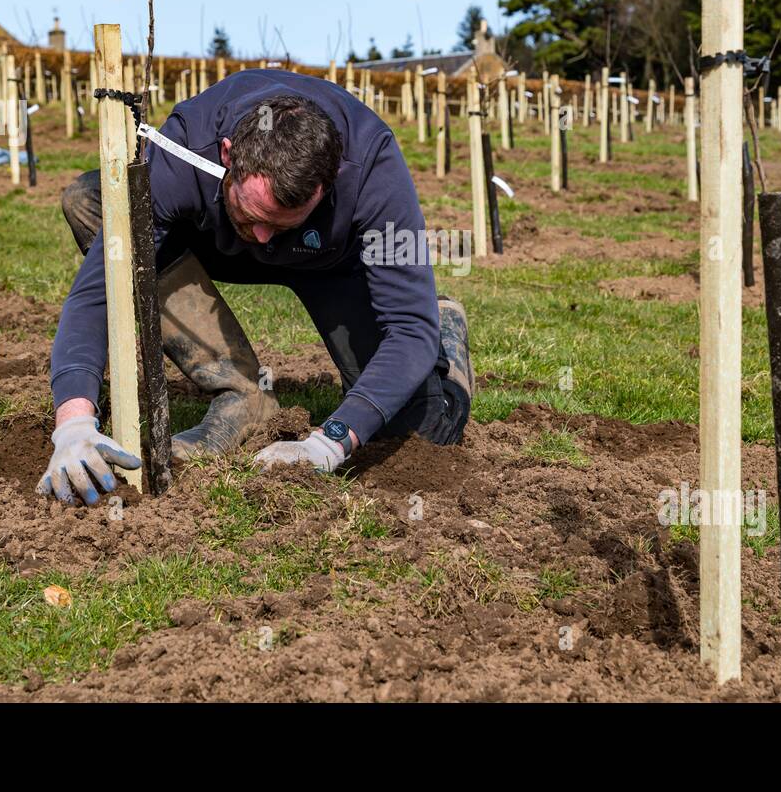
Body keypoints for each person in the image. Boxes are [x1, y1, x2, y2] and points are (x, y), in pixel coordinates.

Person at [38, 68, 473, 505]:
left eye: (280, 222)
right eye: (252, 214)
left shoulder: (375, 169)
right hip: (213, 243)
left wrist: (331, 441)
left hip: (331, 264)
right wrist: (73, 419)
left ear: (328, 185)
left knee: (422, 430)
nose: (264, 237)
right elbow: (98, 291)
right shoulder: (184, 148)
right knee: (94, 200)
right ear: (227, 155)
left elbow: (410, 329)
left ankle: (448, 330)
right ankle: (243, 395)